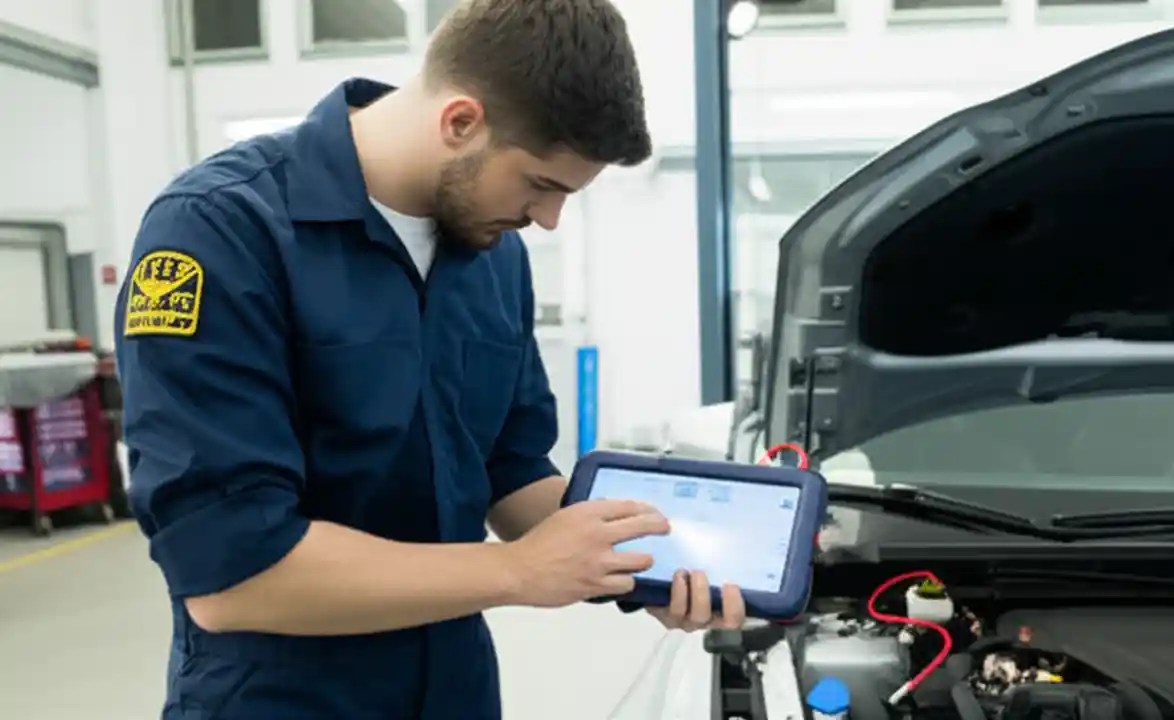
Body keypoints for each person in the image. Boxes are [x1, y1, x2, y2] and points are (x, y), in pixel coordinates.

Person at [114, 0, 746, 717]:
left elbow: (510, 470)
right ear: (460, 121)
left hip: (453, 692)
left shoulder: (492, 253)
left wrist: (649, 566)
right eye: (541, 185)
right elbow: (230, 577)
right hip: (284, 697)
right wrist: (511, 571)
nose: (547, 220)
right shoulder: (221, 230)